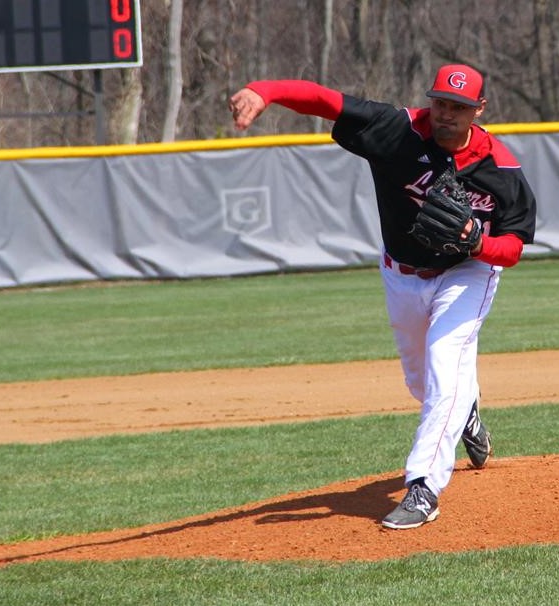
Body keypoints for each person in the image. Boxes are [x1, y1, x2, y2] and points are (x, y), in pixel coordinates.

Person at [228, 64, 537, 529]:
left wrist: (478, 244)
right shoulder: (398, 131)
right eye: (440, 103)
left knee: (444, 356)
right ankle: (466, 410)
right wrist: (264, 91)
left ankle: (424, 487)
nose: (446, 114)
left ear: (479, 110)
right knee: (423, 382)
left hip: (468, 272)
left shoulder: (502, 170)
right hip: (401, 274)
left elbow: (512, 247)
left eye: (458, 107)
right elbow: (325, 100)